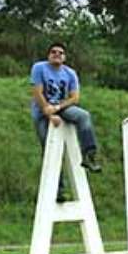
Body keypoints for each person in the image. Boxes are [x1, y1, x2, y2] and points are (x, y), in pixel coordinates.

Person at [31, 43, 101, 203]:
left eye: (60, 53)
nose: (57, 54)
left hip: (61, 107)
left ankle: (89, 154)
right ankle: (59, 190)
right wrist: (49, 113)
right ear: (48, 55)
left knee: (83, 116)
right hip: (43, 111)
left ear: (65, 57)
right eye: (53, 52)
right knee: (50, 148)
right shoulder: (39, 68)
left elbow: (75, 98)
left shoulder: (70, 73)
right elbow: (37, 93)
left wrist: (58, 108)